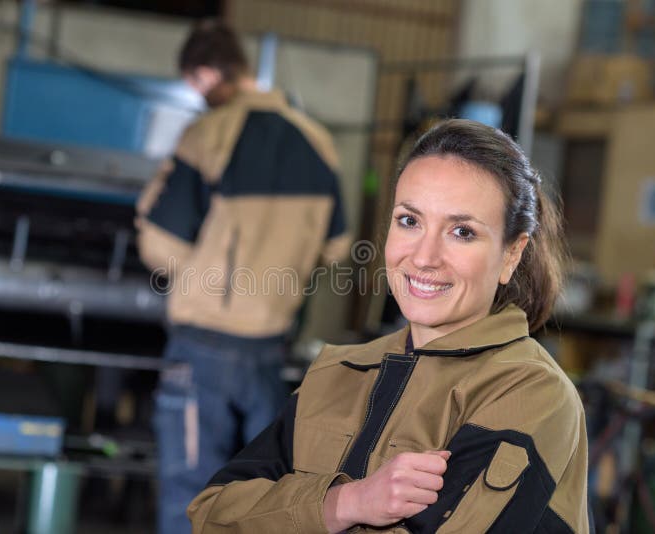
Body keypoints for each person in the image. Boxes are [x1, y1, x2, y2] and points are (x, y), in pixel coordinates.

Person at [187, 119, 592, 533]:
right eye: (409, 221)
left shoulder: (530, 391)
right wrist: (346, 502)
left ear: (511, 254)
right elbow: (211, 516)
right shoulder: (337, 374)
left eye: (462, 231)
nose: (424, 257)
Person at [135, 20, 350, 534]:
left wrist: (203, 277)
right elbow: (337, 248)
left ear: (207, 74)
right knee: (264, 503)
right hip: (269, 350)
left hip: (201, 345)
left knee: (191, 497)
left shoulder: (209, 133)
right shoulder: (318, 141)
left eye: (194, 84)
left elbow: (159, 244)